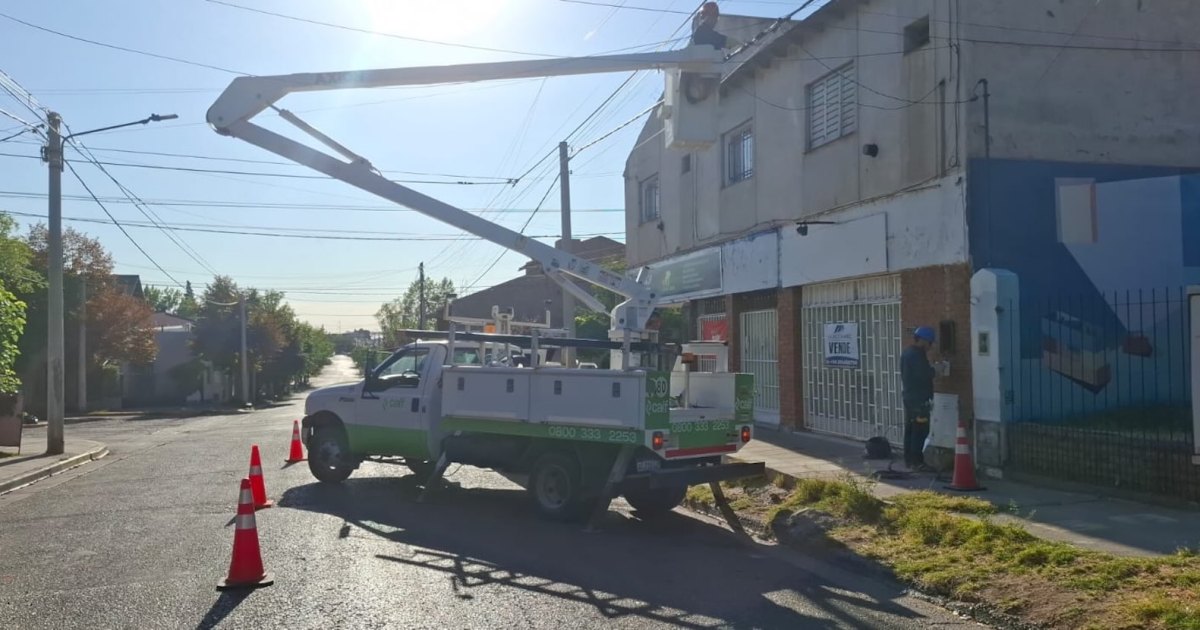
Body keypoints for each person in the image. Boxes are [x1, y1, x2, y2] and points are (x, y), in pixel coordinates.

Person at [900, 326, 937, 470]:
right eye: (930, 343)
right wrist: (935, 371)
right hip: (918, 399)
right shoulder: (917, 355)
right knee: (920, 430)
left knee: (910, 429)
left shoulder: (907, 352)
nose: (930, 347)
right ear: (923, 341)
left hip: (910, 397)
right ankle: (917, 462)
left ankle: (909, 461)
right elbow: (923, 374)